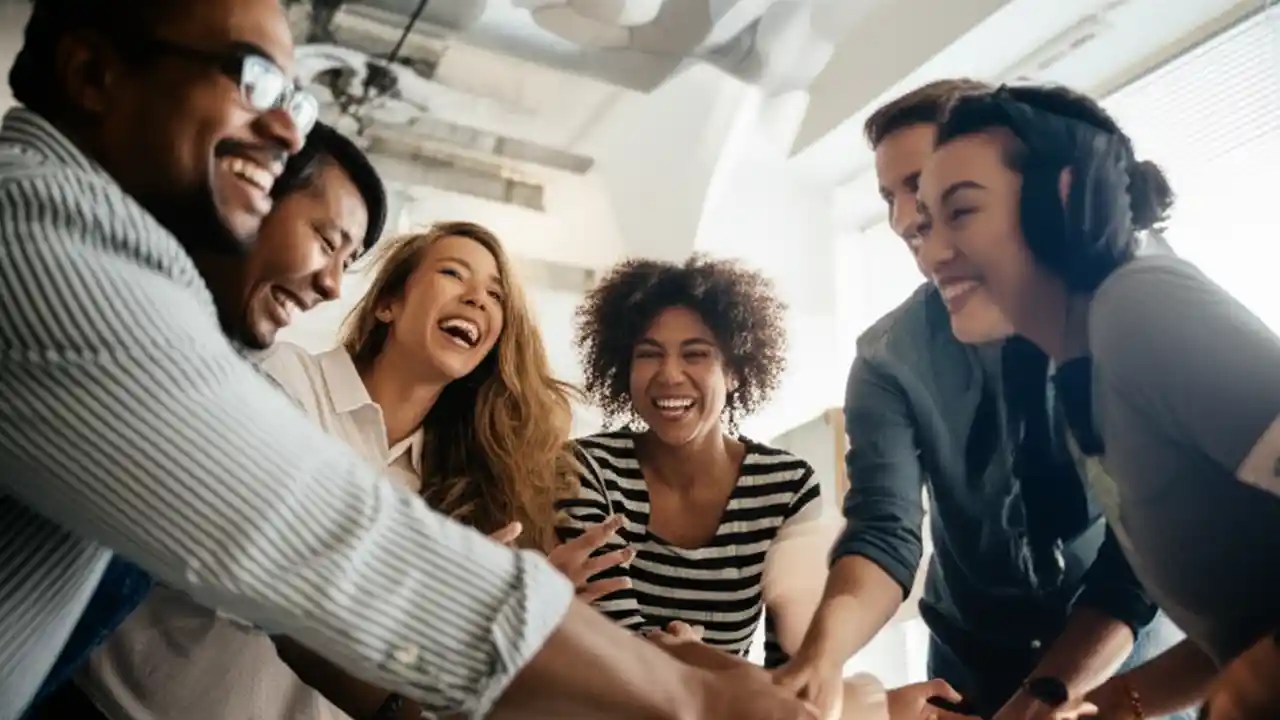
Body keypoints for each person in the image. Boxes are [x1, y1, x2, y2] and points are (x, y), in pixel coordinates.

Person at [0, 1, 818, 718]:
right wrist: (688, 696)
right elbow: (302, 533)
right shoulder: (34, 230)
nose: (287, 129)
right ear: (93, 74)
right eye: (252, 77)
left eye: (294, 96)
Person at [776, 79, 1187, 720]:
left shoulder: (1128, 319)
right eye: (890, 195)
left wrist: (1047, 695)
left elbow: (1146, 555)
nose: (903, 218)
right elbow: (885, 530)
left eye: (922, 185)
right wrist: (820, 659)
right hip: (968, 673)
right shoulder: (889, 355)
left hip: (1120, 666)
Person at [916, 82, 1280, 717]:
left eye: (963, 212)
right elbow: (1244, 617)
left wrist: (1251, 690)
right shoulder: (1078, 369)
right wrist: (1116, 704)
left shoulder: (1140, 305)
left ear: (1060, 198)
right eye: (928, 222)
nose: (932, 253)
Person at [22, 119, 388, 719]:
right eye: (327, 241)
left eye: (347, 261)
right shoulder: (125, 334)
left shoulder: (235, 375)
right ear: (252, 198)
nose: (331, 285)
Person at [565, 256, 958, 720]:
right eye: (648, 354)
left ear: (733, 371)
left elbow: (799, 680)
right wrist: (879, 709)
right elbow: (624, 656)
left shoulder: (784, 487)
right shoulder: (585, 470)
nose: (669, 374)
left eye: (696, 353)